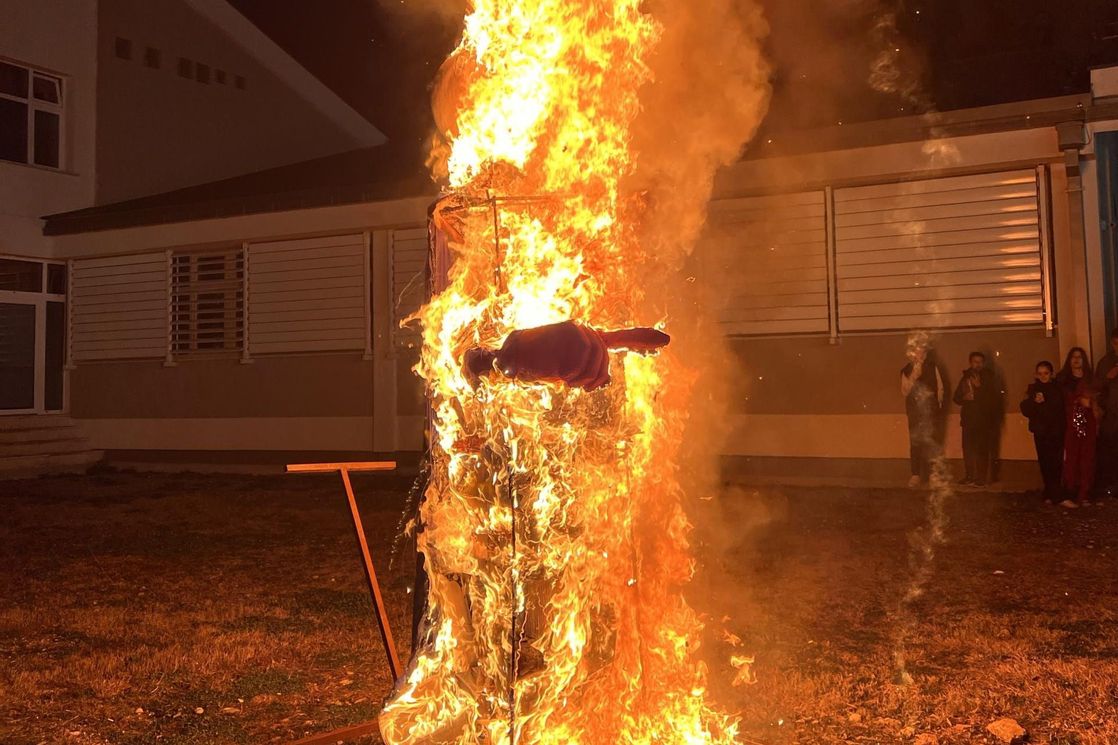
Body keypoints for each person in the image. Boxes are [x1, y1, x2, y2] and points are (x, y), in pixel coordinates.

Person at [1057, 347, 1099, 508]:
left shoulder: (1090, 380)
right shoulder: (1063, 380)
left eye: (1079, 357)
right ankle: (1070, 492)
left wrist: (1091, 403)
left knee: (1087, 458)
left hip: (1088, 423)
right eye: (1073, 357)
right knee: (1072, 459)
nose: (1076, 360)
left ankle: (1085, 493)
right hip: (1070, 423)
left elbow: (1097, 399)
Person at [1019, 361, 1065, 503]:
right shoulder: (1033, 389)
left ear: (1051, 374)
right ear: (1036, 375)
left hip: (1055, 431)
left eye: (1046, 373)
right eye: (1040, 373)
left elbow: (1058, 409)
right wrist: (1035, 402)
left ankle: (1054, 492)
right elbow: (1025, 409)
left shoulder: (1057, 389)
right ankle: (1049, 492)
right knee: (1044, 462)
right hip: (1041, 431)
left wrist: (1044, 404)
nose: (1043, 376)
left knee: (1055, 462)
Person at [901, 344, 945, 487]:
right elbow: (905, 391)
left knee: (931, 441)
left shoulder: (933, 367)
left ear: (925, 354)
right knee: (915, 443)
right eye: (917, 352)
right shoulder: (906, 370)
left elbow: (940, 389)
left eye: (922, 353)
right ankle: (915, 475)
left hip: (930, 412)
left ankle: (934, 475)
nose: (920, 355)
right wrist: (914, 375)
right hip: (914, 413)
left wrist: (936, 409)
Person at [953, 352, 999, 487]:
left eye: (980, 362)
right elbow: (956, 397)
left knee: (982, 449)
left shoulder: (989, 377)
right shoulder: (965, 377)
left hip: (984, 420)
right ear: (970, 362)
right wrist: (963, 398)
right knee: (968, 449)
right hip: (968, 419)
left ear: (983, 363)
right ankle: (969, 476)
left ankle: (981, 478)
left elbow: (993, 398)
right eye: (975, 361)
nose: (977, 364)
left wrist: (979, 387)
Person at [1095, 328, 1118, 499]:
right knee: (1110, 453)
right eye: (1116, 344)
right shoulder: (1105, 363)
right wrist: (1108, 378)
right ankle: (1112, 486)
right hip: (1111, 416)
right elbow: (1097, 388)